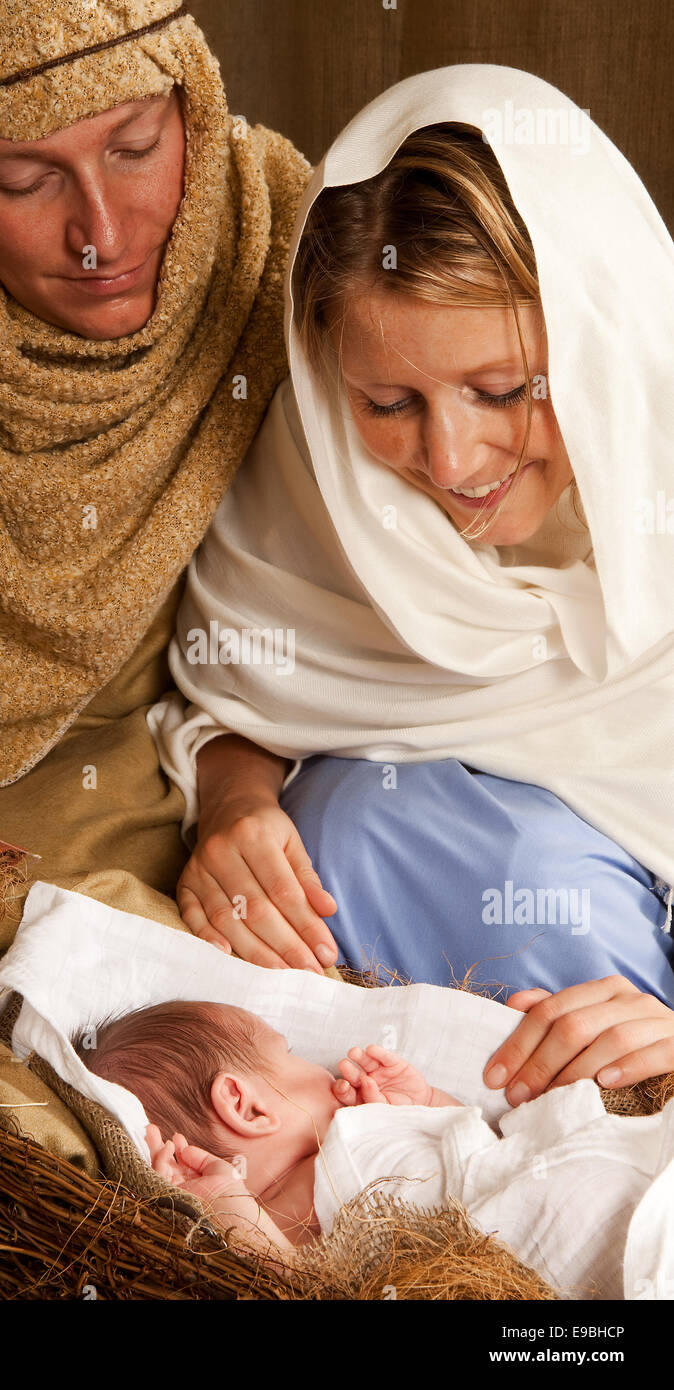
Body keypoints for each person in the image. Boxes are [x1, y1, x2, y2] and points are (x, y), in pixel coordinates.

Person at [0, 0, 311, 1148]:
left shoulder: (282, 239)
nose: (101, 232)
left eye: (136, 146)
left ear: (196, 96)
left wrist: (245, 784)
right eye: (25, 179)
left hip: (271, 805)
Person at [148, 66, 674, 1102]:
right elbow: (239, 697)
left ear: (601, 344)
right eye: (388, 401)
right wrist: (233, 808)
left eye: (500, 390)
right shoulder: (307, 495)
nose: (450, 459)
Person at [81, 997, 674, 1298]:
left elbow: (477, 1150)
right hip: (578, 1234)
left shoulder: (359, 1131)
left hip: (603, 1172)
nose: (321, 1067)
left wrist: (423, 1103)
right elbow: (287, 1278)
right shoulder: (287, 1207)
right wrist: (225, 1203)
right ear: (248, 1107)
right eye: (293, 1058)